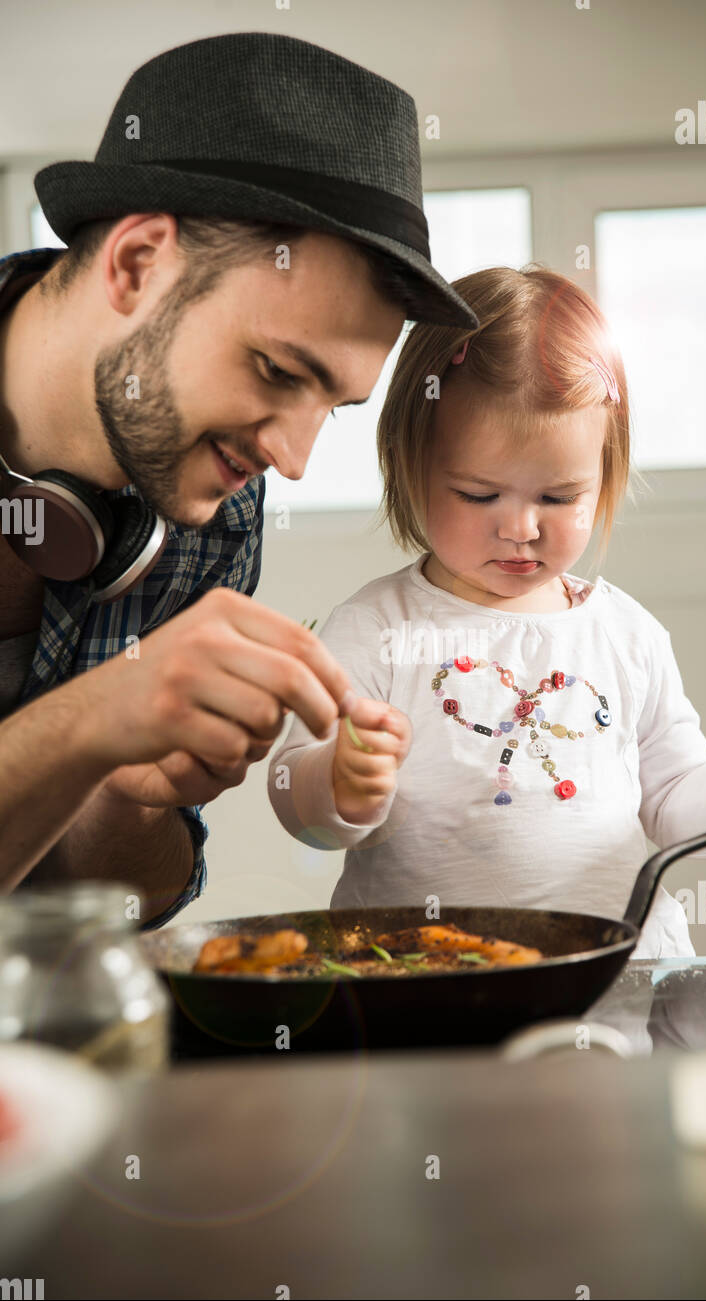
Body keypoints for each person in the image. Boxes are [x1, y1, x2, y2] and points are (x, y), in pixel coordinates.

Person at [0, 32, 477, 926]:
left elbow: (124, 903)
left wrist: (122, 793)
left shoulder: (216, 511)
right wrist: (94, 720)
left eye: (330, 405)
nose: (290, 459)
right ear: (138, 263)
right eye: (276, 371)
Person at [268, 265, 706, 958]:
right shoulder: (377, 629)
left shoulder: (624, 634)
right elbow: (295, 795)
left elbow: (673, 797)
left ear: (604, 477)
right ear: (408, 465)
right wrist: (334, 784)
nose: (520, 527)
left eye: (557, 498)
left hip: (614, 979)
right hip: (424, 979)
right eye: (478, 494)